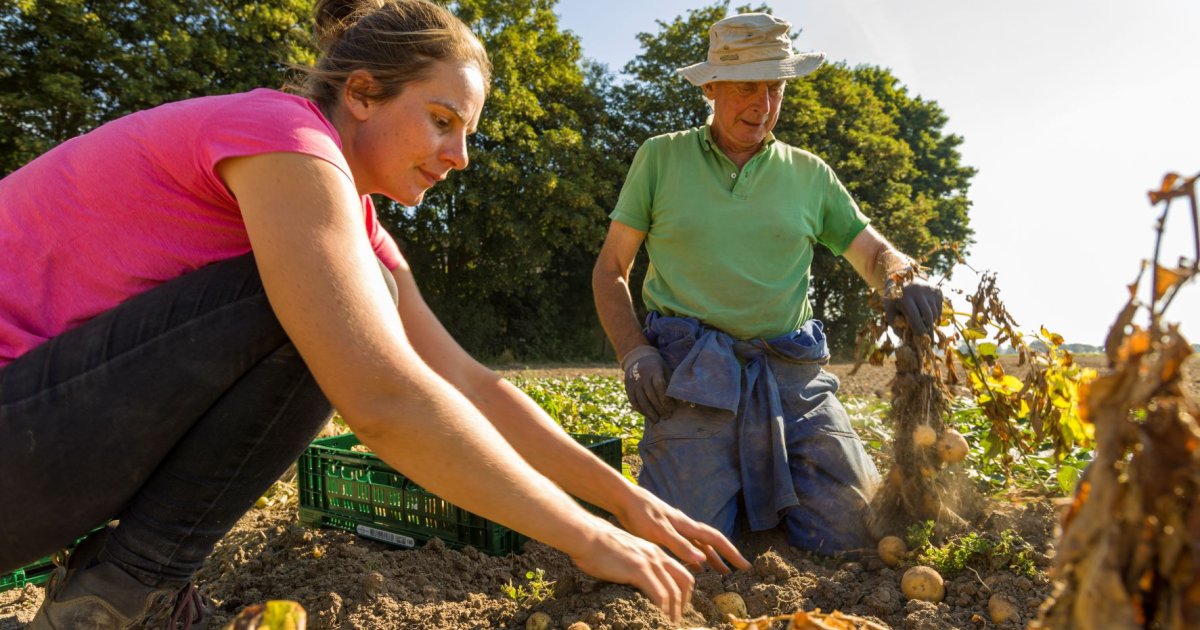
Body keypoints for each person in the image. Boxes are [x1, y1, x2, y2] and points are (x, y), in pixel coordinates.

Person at [0, 0, 751, 627]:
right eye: (441, 120)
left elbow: (469, 382)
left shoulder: (346, 214)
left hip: (36, 446)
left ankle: (124, 594)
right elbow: (382, 398)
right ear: (361, 93)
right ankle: (134, 593)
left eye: (468, 133)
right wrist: (583, 537)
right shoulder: (284, 141)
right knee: (323, 316)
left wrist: (626, 503)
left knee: (347, 301)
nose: (460, 155)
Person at [592, 13, 943, 556]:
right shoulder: (661, 158)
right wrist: (635, 351)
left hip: (791, 379)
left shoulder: (809, 174)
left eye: (775, 87)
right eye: (747, 86)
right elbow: (611, 267)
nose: (763, 104)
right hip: (693, 375)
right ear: (711, 87)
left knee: (856, 536)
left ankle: (778, 507)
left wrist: (904, 277)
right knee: (683, 547)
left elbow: (873, 252)